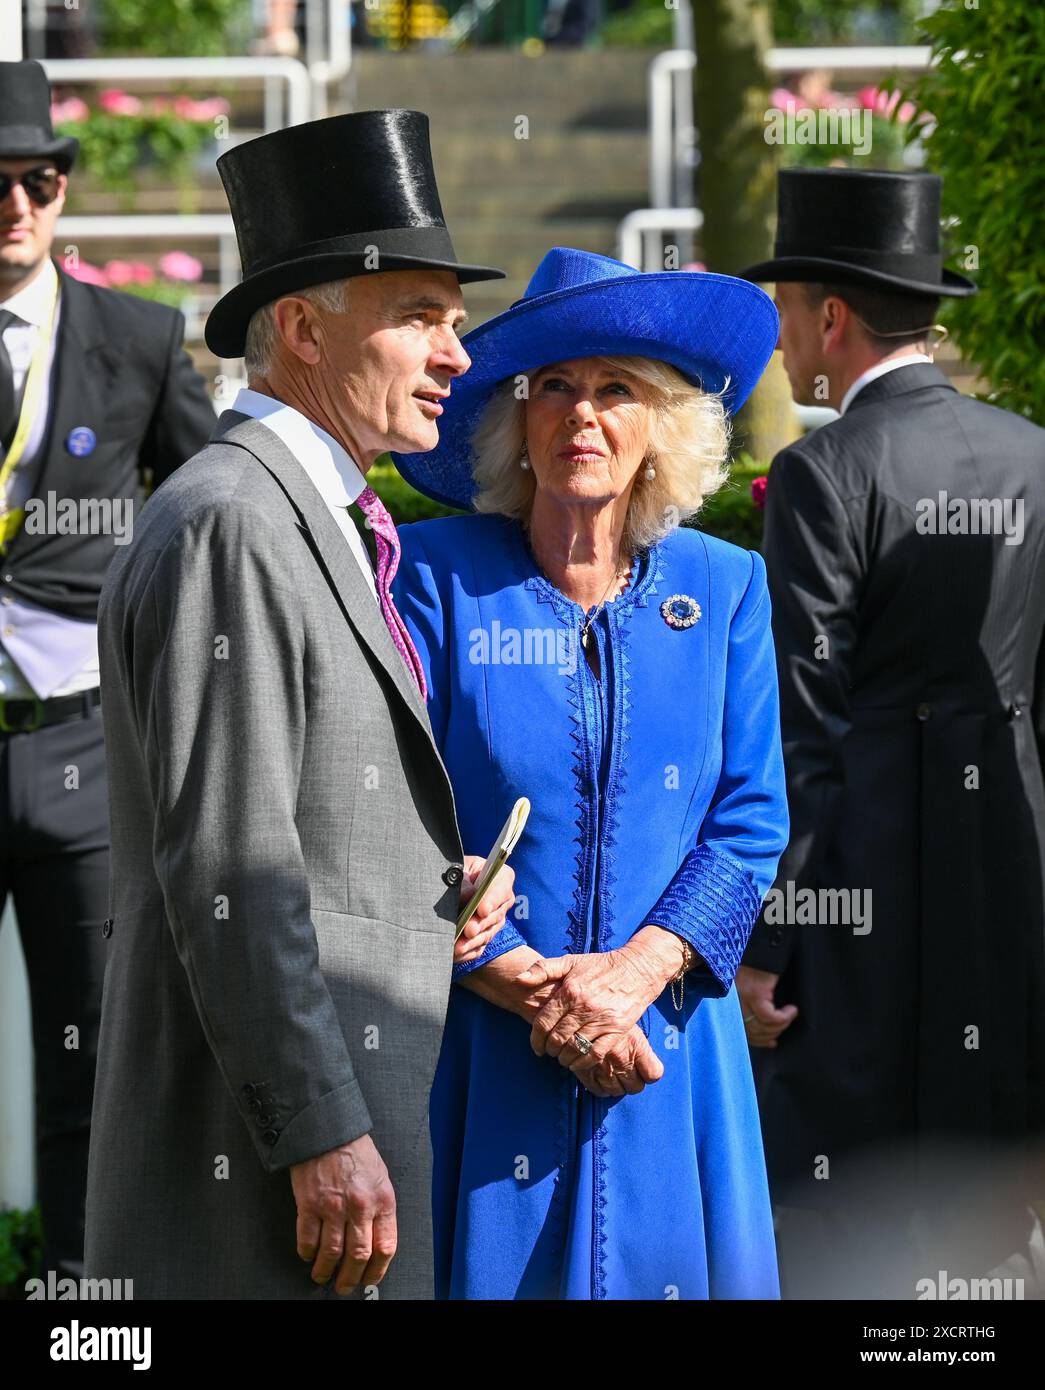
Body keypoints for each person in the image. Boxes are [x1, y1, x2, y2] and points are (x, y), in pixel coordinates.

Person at [84, 109, 515, 1300]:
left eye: (455, 320)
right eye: (420, 316)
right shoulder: (236, 517)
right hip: (265, 1174)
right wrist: (320, 1128)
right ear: (302, 326)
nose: (457, 355)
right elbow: (228, 859)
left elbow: (307, 821)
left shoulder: (297, 513)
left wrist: (435, 893)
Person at [390, 247, 790, 1299]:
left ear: (661, 423)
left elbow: (748, 823)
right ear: (511, 420)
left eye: (617, 390)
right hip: (484, 1051)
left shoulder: (727, 586)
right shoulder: (432, 579)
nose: (582, 415)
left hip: (666, 1051)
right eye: (551, 387)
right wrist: (539, 994)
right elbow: (391, 808)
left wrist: (629, 980)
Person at [740, 168, 1045, 1297]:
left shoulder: (820, 472)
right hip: (1009, 874)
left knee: (836, 1208)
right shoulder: (1034, 454)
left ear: (829, 317)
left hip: (863, 889)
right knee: (988, 1200)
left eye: (784, 310)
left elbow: (804, 733)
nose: (776, 341)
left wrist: (765, 944)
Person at [0, 58, 214, 1281]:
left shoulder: (137, 335)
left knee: (91, 1049)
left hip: (82, 744)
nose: (15, 206)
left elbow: (213, 511)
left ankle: (82, 1300)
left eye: (37, 181)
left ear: (64, 189)